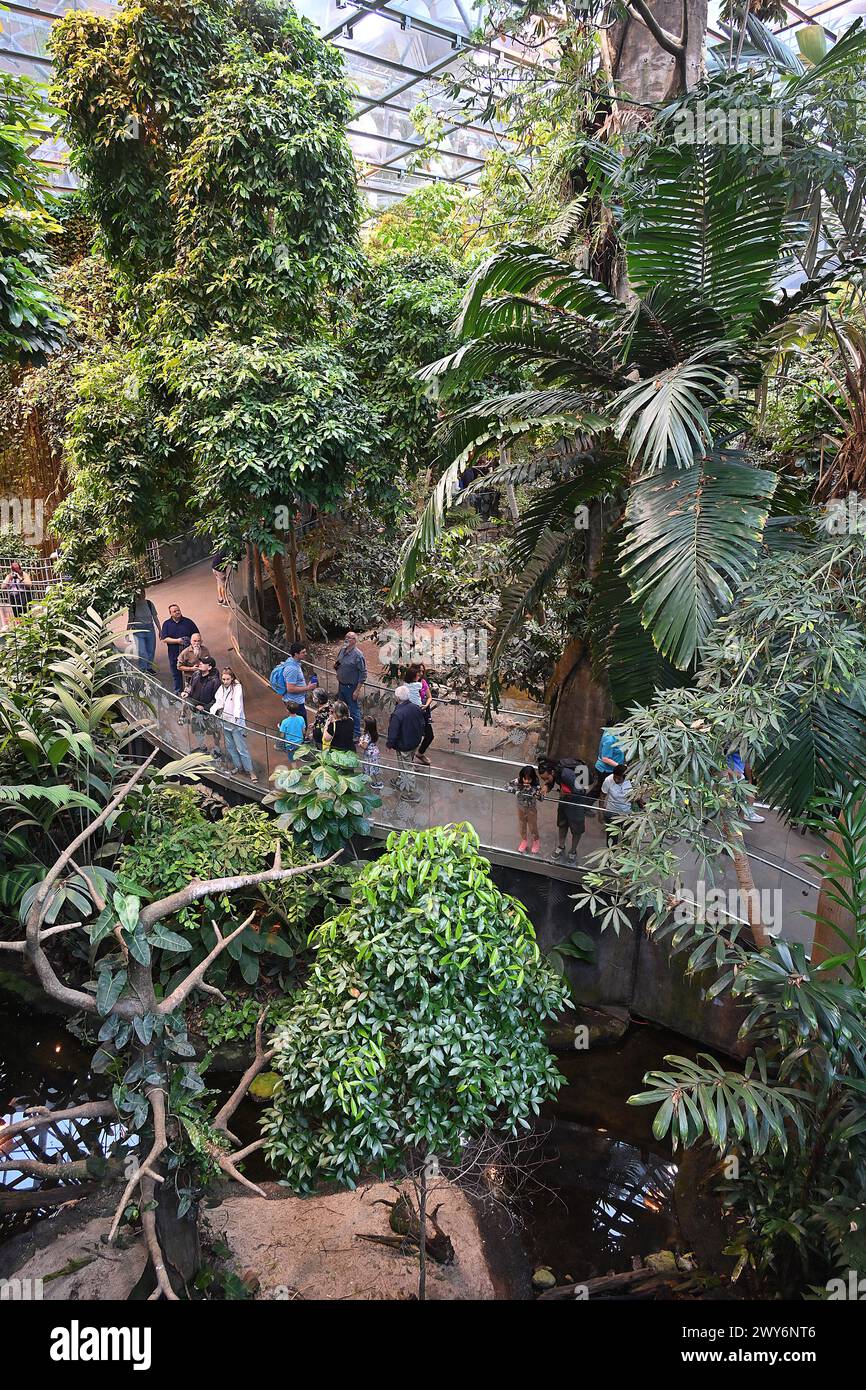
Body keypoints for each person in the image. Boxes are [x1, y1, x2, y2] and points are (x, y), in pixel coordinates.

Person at [210, 667, 257, 781]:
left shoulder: (237, 688)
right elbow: (219, 701)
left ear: (232, 678)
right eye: (223, 679)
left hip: (235, 724)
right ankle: (238, 766)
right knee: (230, 747)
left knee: (242, 749)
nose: (225, 681)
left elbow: (237, 704)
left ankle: (250, 771)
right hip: (225, 722)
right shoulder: (221, 688)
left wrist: (236, 716)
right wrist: (213, 711)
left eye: (227, 679)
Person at [538, 756, 586, 863]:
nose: (545, 780)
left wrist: (567, 791)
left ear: (552, 772)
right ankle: (561, 846)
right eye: (543, 779)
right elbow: (551, 781)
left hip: (576, 803)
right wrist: (547, 786)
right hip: (564, 801)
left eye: (546, 778)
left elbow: (581, 791)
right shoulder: (556, 772)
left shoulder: (567, 774)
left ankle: (573, 851)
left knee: (576, 829)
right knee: (562, 823)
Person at [386, 685, 426, 802]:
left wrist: (390, 744)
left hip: (404, 745)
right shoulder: (416, 708)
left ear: (397, 698)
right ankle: (401, 782)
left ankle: (410, 793)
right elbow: (422, 724)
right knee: (406, 763)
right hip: (415, 742)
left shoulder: (398, 713)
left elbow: (393, 731)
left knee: (406, 767)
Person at [159, 604, 200, 695]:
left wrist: (193, 644)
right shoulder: (167, 624)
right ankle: (178, 691)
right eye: (174, 611)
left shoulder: (188, 622)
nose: (177, 612)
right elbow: (164, 639)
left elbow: (196, 635)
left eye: (178, 610)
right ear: (170, 613)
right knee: (176, 673)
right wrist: (178, 641)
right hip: (174, 653)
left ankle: (192, 691)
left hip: (189, 653)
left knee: (191, 672)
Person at [334, 630, 367, 742]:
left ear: (354, 640)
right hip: (341, 685)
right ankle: (340, 727)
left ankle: (356, 733)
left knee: (354, 710)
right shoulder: (342, 650)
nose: (346, 639)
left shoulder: (358, 655)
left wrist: (357, 690)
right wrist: (337, 668)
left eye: (349, 637)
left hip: (351, 687)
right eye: (346, 637)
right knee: (340, 707)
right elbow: (338, 662)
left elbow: (363, 673)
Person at [185, 657, 221, 756]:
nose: (200, 664)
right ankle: (202, 748)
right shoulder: (196, 674)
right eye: (201, 662)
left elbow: (218, 700)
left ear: (209, 667)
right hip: (195, 710)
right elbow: (189, 686)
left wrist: (205, 708)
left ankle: (217, 751)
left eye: (203, 663)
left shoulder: (215, 681)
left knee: (214, 732)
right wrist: (186, 692)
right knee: (197, 730)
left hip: (209, 714)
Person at [277, 642, 317, 723]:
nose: (305, 654)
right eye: (303, 652)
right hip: (295, 702)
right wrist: (308, 688)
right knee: (302, 723)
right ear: (296, 654)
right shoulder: (292, 668)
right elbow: (290, 689)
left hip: (295, 700)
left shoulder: (292, 662)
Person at [507, 765, 543, 855]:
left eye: (529, 779)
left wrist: (532, 790)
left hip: (531, 809)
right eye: (525, 779)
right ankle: (524, 840)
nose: (526, 781)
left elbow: (541, 798)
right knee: (522, 824)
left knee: (532, 826)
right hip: (521, 807)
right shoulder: (518, 781)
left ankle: (536, 841)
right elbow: (507, 786)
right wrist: (516, 791)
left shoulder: (536, 785)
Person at [405, 662, 435, 766]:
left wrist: (426, 705)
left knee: (430, 735)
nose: (421, 673)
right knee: (414, 736)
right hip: (413, 713)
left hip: (424, 711)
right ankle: (410, 759)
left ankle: (420, 753)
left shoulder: (423, 682)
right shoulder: (408, 684)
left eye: (423, 671)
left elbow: (430, 697)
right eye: (419, 671)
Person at [726, 748, 765, 823]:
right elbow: (720, 758)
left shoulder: (747, 745)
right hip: (729, 773)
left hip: (739, 772)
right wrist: (731, 773)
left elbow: (747, 762)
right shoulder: (728, 743)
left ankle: (749, 813)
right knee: (727, 796)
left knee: (751, 786)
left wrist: (749, 779)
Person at [601, 763, 635, 845]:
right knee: (611, 838)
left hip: (627, 813)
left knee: (627, 837)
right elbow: (602, 795)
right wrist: (601, 811)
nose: (616, 780)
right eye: (614, 777)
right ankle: (611, 855)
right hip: (612, 812)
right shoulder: (608, 780)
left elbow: (637, 796)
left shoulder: (632, 781)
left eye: (619, 779)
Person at [126, 591, 158, 672]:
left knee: (151, 649)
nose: (141, 595)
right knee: (142, 651)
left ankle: (149, 667)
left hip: (149, 628)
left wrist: (160, 630)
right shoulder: (133, 605)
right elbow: (130, 620)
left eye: (143, 592)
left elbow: (155, 617)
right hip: (138, 630)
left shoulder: (149, 603)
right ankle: (142, 669)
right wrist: (127, 633)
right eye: (140, 593)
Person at [593, 727, 625, 798]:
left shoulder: (612, 733)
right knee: (599, 790)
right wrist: (620, 767)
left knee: (600, 789)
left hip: (614, 768)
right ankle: (584, 805)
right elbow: (605, 758)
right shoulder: (609, 739)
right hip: (605, 769)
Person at [359, 716, 383, 790]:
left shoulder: (366, 736)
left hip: (370, 754)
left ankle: (376, 782)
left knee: (369, 767)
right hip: (375, 752)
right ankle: (377, 782)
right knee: (375, 768)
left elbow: (365, 746)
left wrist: (360, 744)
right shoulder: (374, 733)